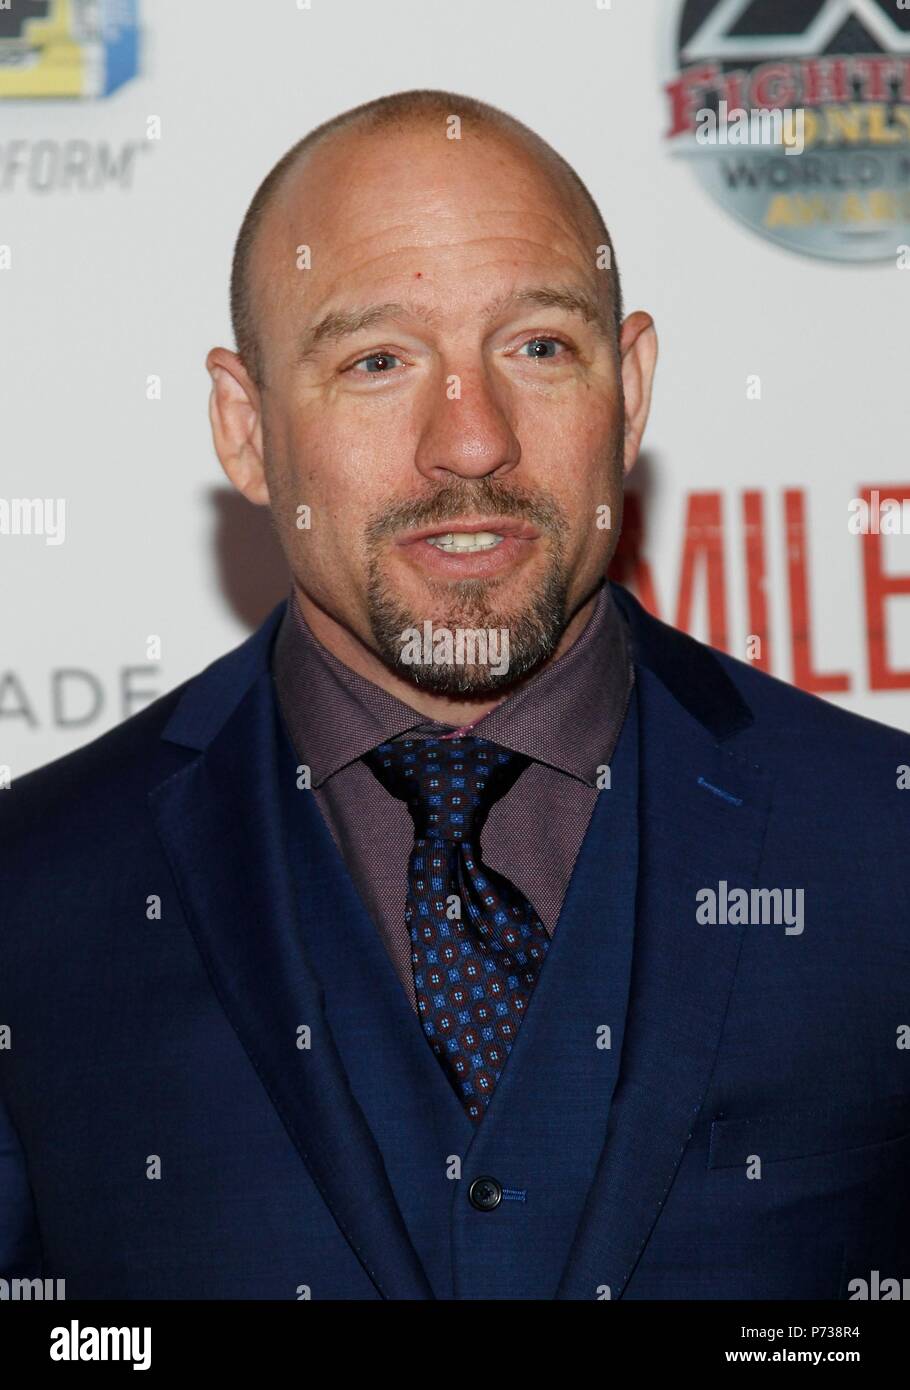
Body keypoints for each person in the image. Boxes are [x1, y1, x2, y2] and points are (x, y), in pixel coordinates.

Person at [1, 89, 908, 1302]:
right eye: (377, 361)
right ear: (243, 427)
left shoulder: (880, 844)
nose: (471, 440)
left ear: (628, 388)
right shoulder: (34, 891)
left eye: (537, 347)